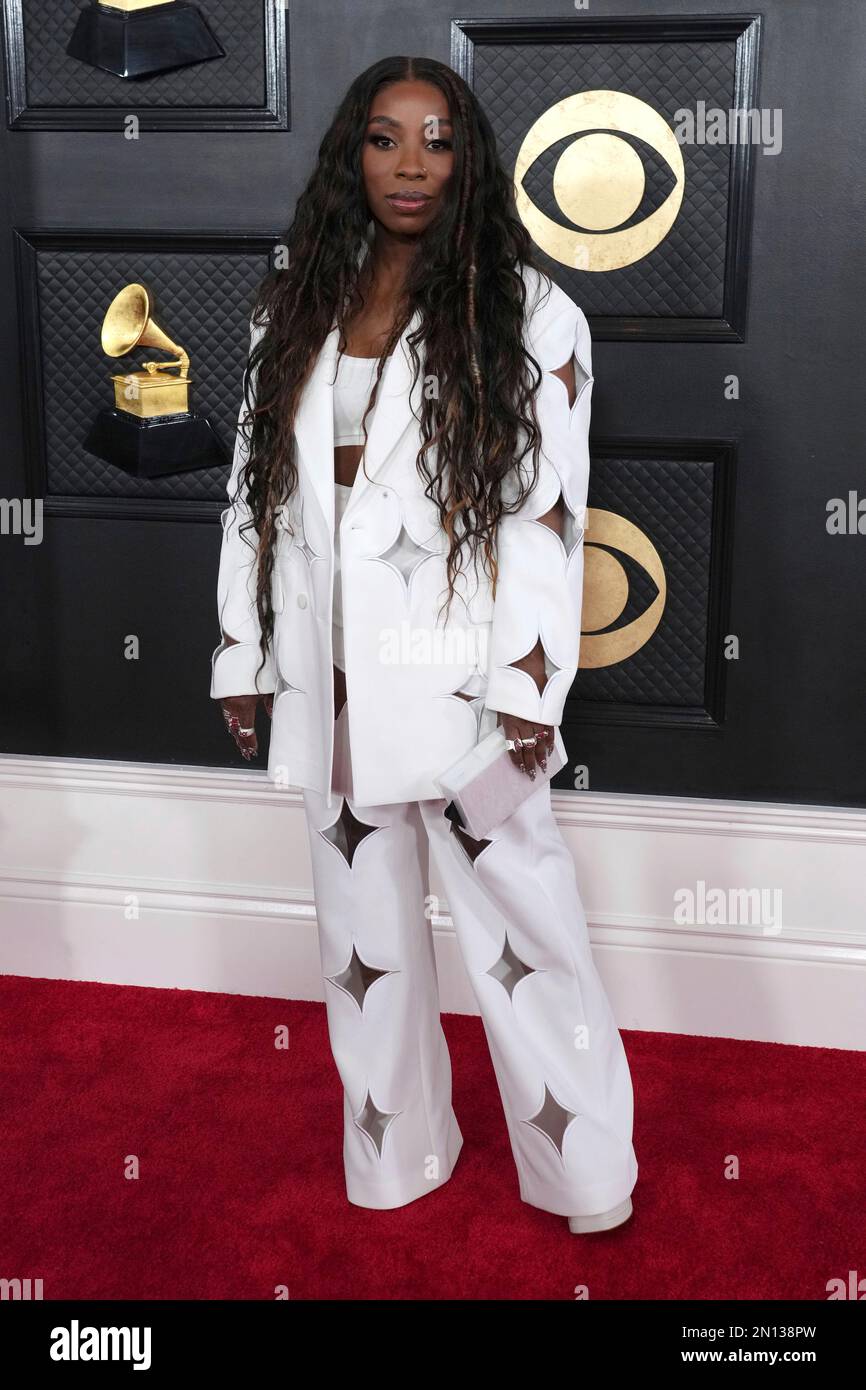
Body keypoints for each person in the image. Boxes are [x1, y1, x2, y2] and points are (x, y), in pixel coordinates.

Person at [211, 55, 637, 1232]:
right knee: (365, 945)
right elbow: (254, 499)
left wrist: (527, 690)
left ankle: (586, 1169)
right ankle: (395, 1156)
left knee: (527, 934)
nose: (410, 163)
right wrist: (242, 655)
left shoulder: (534, 311)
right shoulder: (288, 304)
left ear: (468, 158)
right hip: (328, 686)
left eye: (436, 139)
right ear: (351, 153)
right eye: (386, 138)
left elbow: (549, 517)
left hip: (463, 692)